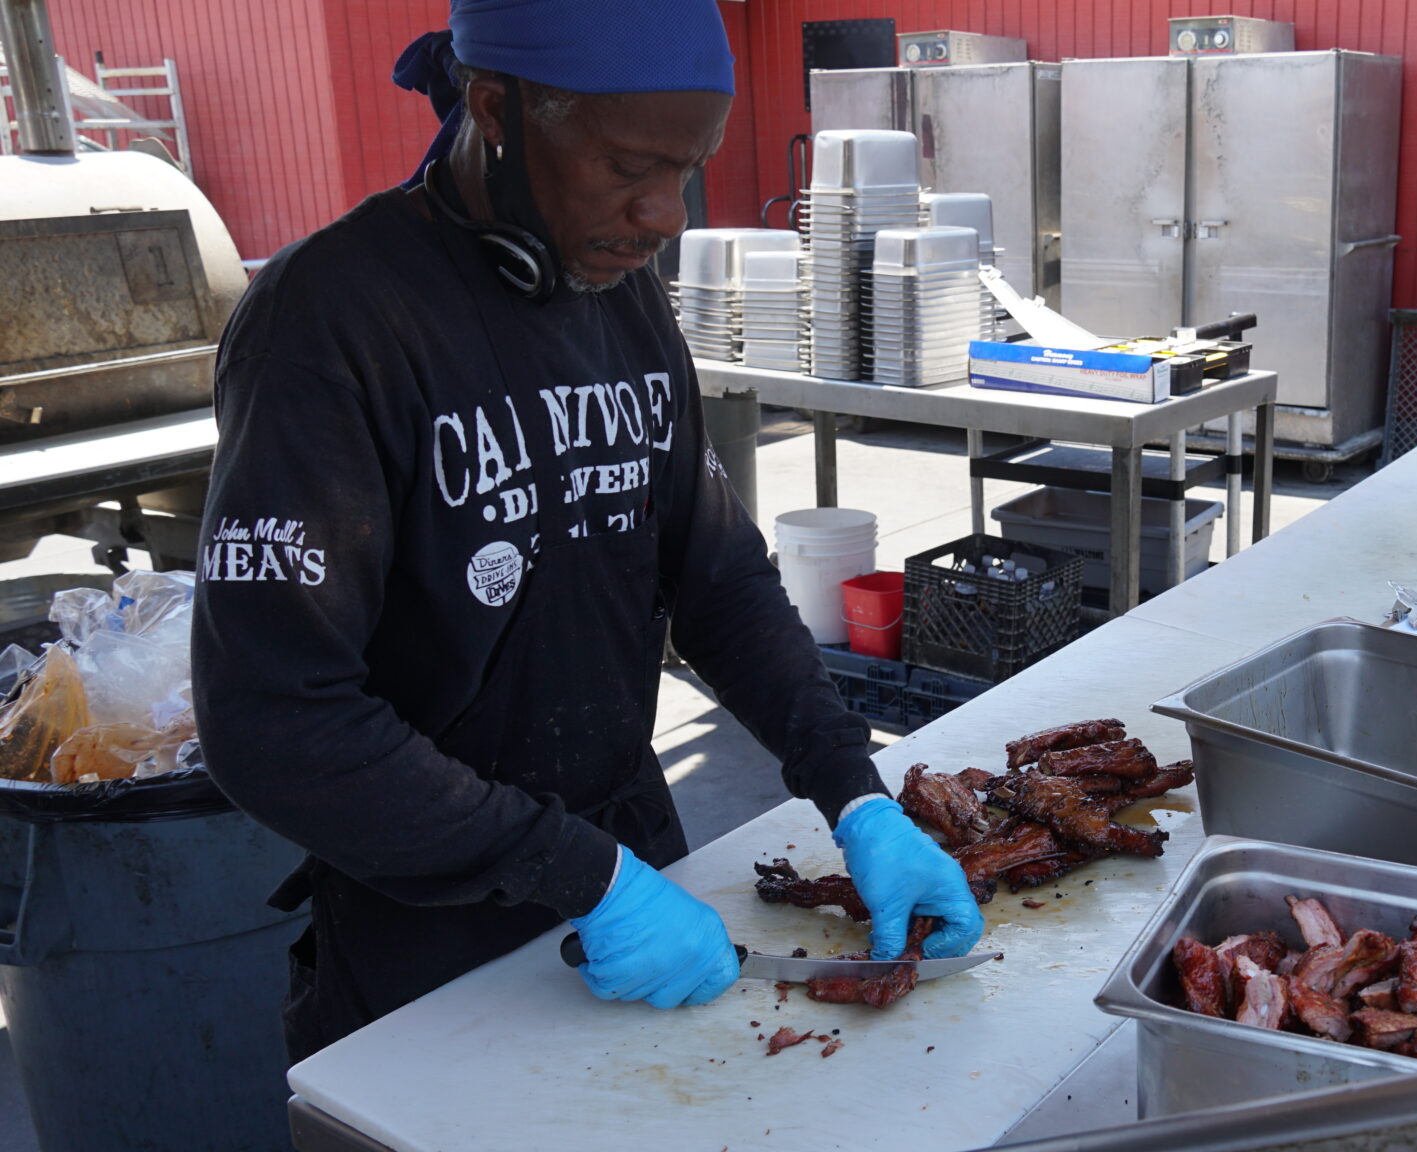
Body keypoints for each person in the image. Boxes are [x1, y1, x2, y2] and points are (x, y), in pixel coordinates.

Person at [191, 0, 982, 1061]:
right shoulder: (330, 321)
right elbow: (275, 718)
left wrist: (854, 793)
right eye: (627, 167)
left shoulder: (620, 291)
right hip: (429, 917)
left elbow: (718, 580)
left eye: (687, 168)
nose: (665, 214)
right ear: (494, 108)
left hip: (636, 862)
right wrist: (582, 876)